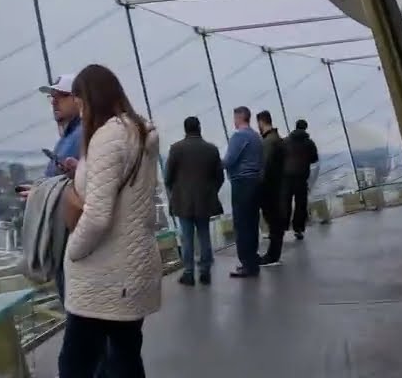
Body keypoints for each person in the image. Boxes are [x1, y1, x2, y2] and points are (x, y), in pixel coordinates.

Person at [59, 64, 162, 378]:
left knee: (75, 363)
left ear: (90, 99)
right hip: (135, 266)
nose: (80, 109)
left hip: (104, 275)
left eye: (80, 102)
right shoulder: (139, 132)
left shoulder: (107, 137)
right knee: (126, 356)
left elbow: (98, 216)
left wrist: (72, 251)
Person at [163, 116, 225, 286]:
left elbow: (168, 177)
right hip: (205, 200)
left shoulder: (176, 149)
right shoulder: (211, 149)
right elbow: (220, 177)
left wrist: (175, 192)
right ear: (199, 127)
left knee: (187, 237)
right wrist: (211, 191)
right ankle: (205, 271)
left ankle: (189, 273)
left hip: (183, 201)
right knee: (204, 235)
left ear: (185, 129)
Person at [224, 106, 264, 278]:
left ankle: (246, 263)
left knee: (242, 223)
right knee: (252, 223)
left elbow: (229, 160)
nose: (233, 121)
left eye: (234, 118)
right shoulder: (256, 137)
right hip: (255, 182)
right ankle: (252, 261)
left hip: (242, 183)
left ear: (240, 117)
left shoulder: (239, 136)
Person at [256, 110, 288, 267]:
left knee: (273, 223)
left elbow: (265, 167)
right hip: (279, 187)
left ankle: (272, 256)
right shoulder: (278, 140)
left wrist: (259, 187)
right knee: (276, 223)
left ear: (261, 122)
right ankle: (273, 254)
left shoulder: (268, 142)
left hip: (270, 190)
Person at [283, 118, 320, 240]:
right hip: (301, 177)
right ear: (305, 128)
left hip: (286, 177)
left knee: (285, 202)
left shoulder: (286, 141)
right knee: (300, 204)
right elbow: (314, 159)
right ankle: (298, 229)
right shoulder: (309, 143)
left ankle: (282, 227)